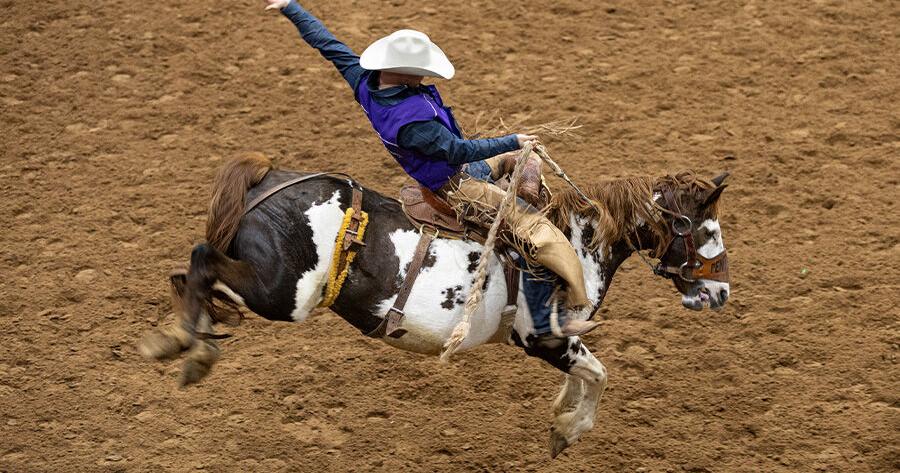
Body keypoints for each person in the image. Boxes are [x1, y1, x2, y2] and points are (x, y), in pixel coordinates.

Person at [263, 0, 599, 337]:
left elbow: (328, 44)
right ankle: (547, 320)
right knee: (539, 236)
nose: (426, 75)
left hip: (461, 167)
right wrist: (512, 140)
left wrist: (291, 7)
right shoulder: (411, 123)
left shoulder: (366, 81)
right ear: (402, 71)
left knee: (530, 164)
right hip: (457, 183)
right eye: (420, 69)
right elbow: (458, 150)